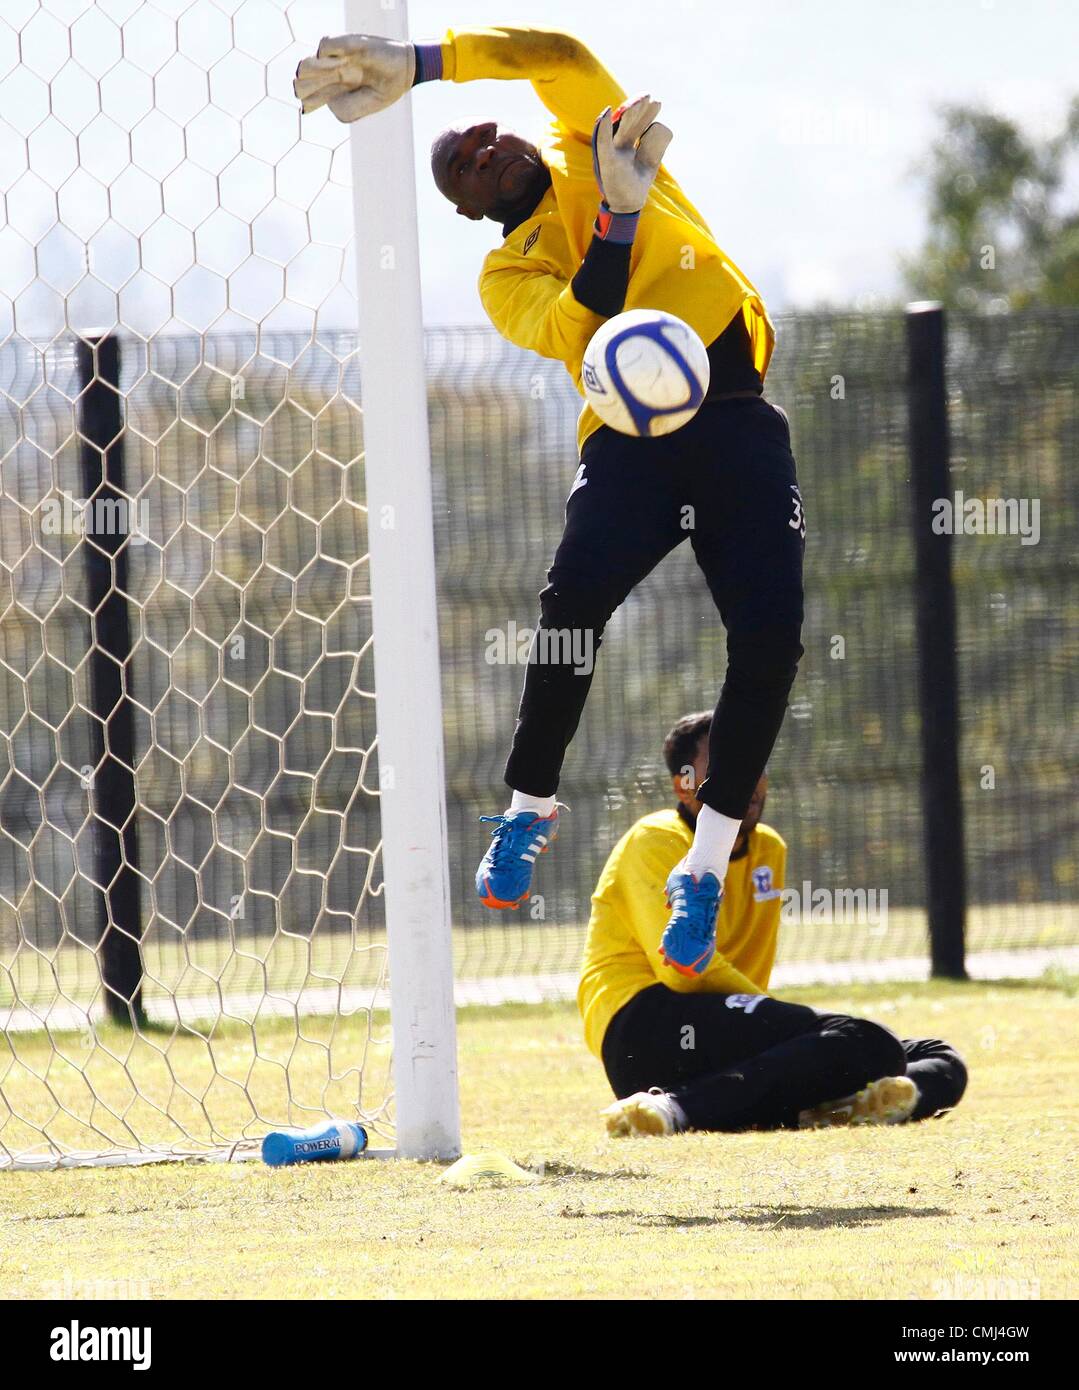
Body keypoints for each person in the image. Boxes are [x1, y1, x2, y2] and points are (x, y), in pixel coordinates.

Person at [296, 27, 805, 972]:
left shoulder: (588, 145)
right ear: (467, 207)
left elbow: (558, 57)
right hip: (631, 445)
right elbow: (589, 319)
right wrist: (615, 222)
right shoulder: (505, 276)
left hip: (735, 415)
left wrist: (422, 64)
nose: (491, 142)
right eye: (467, 161)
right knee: (570, 609)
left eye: (489, 132)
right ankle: (527, 809)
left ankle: (703, 864)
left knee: (773, 640)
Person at [578, 711, 968, 1135]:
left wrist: (791, 1032)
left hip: (725, 1029)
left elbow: (748, 974)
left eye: (754, 763)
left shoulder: (769, 849)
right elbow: (683, 973)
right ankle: (674, 1109)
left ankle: (831, 1107)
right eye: (723, 766)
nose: (745, 777)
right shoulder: (658, 839)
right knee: (864, 1041)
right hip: (644, 1028)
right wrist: (794, 1023)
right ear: (683, 785)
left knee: (941, 1059)